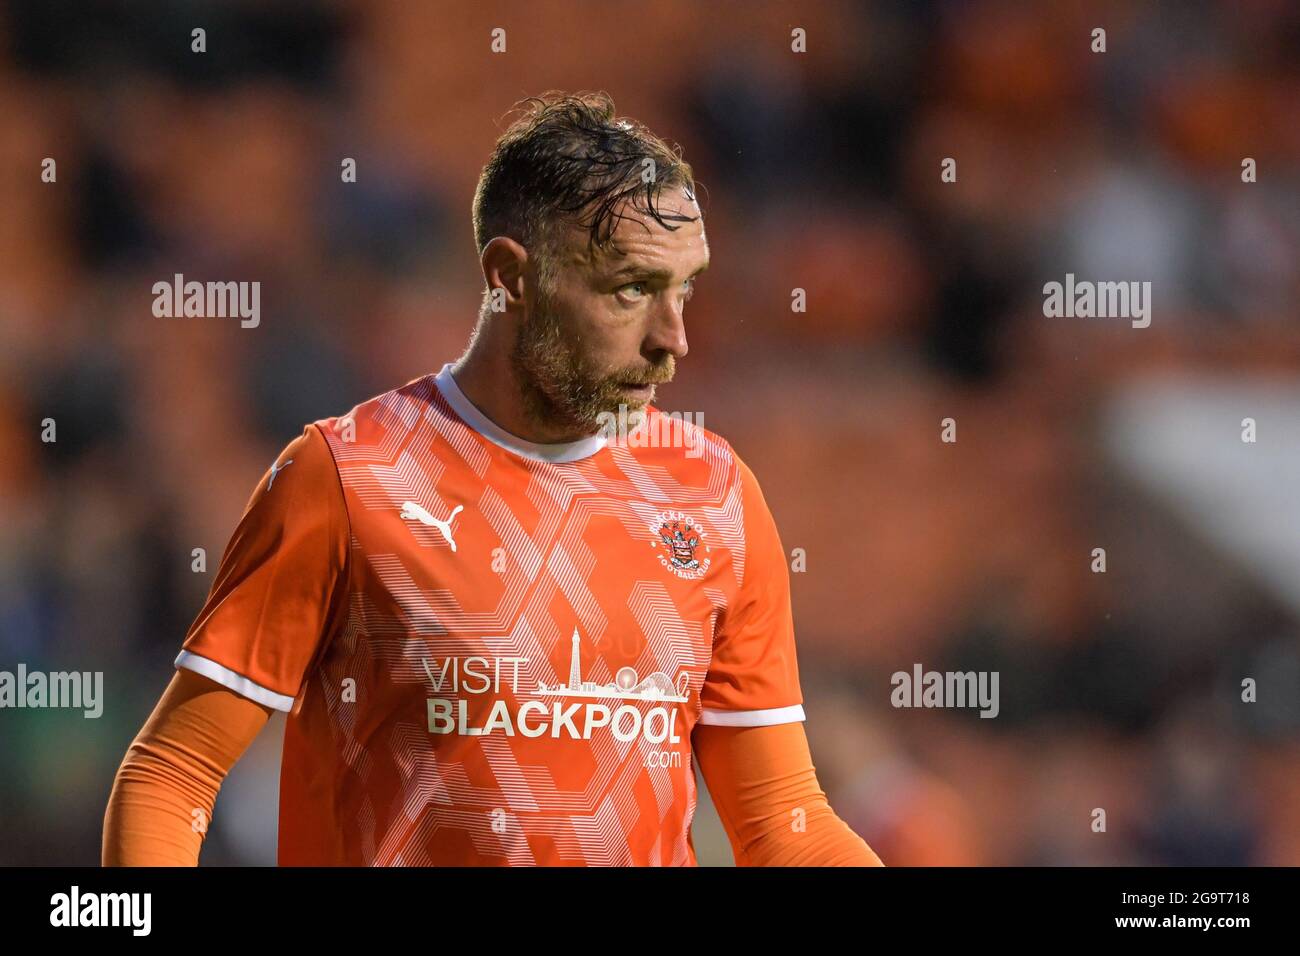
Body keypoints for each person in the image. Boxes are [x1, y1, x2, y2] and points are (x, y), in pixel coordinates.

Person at [103, 90, 883, 867]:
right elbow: (174, 773)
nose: (672, 338)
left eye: (685, 287)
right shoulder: (346, 477)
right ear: (510, 276)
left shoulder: (715, 496)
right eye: (631, 290)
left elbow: (785, 827)